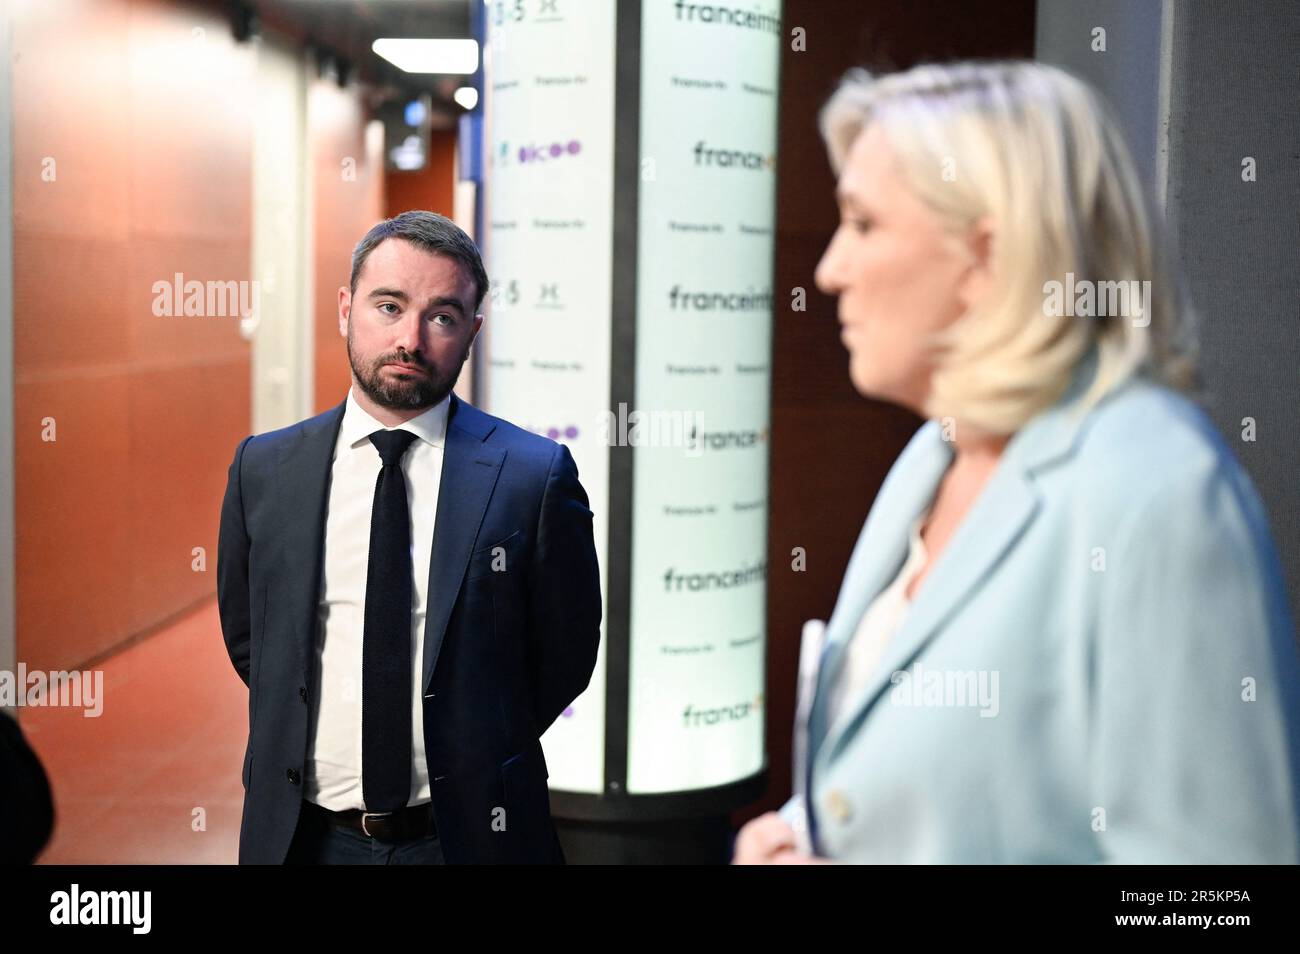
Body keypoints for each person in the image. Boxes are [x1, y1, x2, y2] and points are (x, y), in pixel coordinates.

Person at [735, 61, 1300, 863]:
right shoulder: (934, 454)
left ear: (986, 255)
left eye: (863, 225)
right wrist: (801, 827)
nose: (829, 269)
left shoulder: (1160, 492)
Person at [217, 211, 601, 864]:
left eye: (443, 316)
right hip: (306, 840)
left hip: (468, 839)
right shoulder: (265, 469)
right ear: (346, 309)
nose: (411, 339)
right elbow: (254, 641)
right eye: (388, 306)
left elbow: (564, 653)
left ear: (473, 331)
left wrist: (477, 744)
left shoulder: (532, 477)